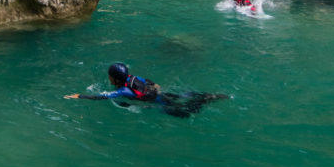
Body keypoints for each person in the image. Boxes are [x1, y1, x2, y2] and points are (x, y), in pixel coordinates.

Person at [65, 63, 228, 117]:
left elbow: (100, 97)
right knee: (179, 96)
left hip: (159, 102)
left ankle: (203, 101)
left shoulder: (123, 91)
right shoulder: (133, 78)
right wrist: (156, 86)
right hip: (160, 93)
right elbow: (149, 81)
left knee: (186, 113)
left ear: (114, 79)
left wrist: (79, 96)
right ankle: (207, 96)